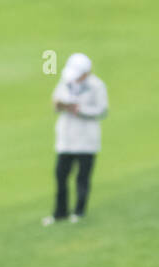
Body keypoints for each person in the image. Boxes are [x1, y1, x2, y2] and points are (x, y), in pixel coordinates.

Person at [42, 53, 108, 225]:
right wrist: (60, 105)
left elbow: (102, 110)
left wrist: (80, 110)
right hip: (66, 138)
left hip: (86, 140)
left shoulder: (97, 86)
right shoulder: (65, 82)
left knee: (82, 178)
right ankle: (60, 212)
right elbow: (56, 102)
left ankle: (79, 211)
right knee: (61, 176)